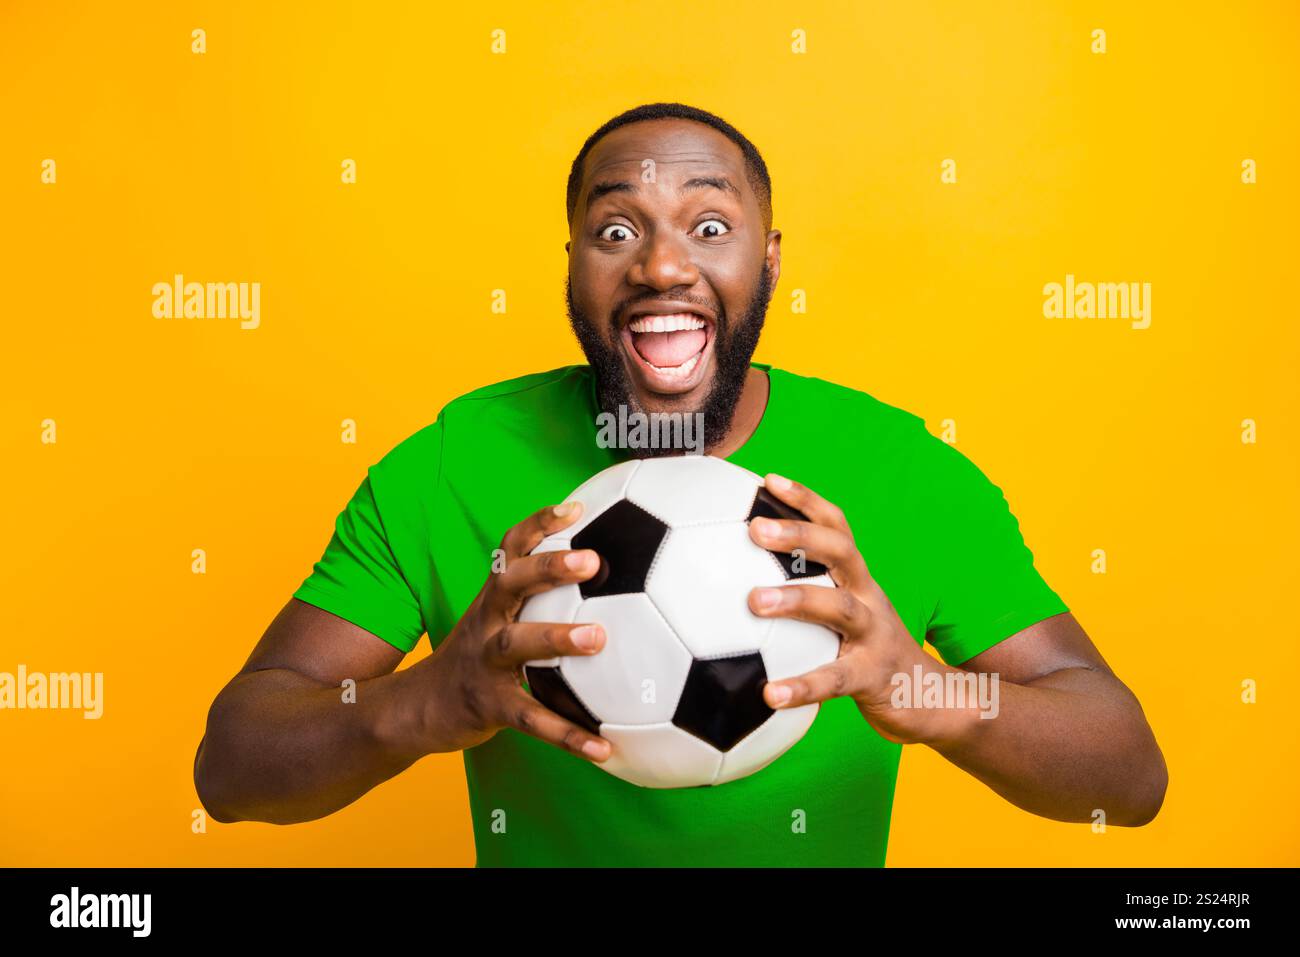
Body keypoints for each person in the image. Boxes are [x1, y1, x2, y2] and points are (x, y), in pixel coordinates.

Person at [193, 102, 1167, 866]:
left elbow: (1126, 777)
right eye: (615, 232)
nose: (663, 265)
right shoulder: (449, 465)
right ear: (571, 266)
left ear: (768, 259)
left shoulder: (903, 471)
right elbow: (233, 769)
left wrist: (922, 686)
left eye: (709, 225)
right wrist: (427, 699)